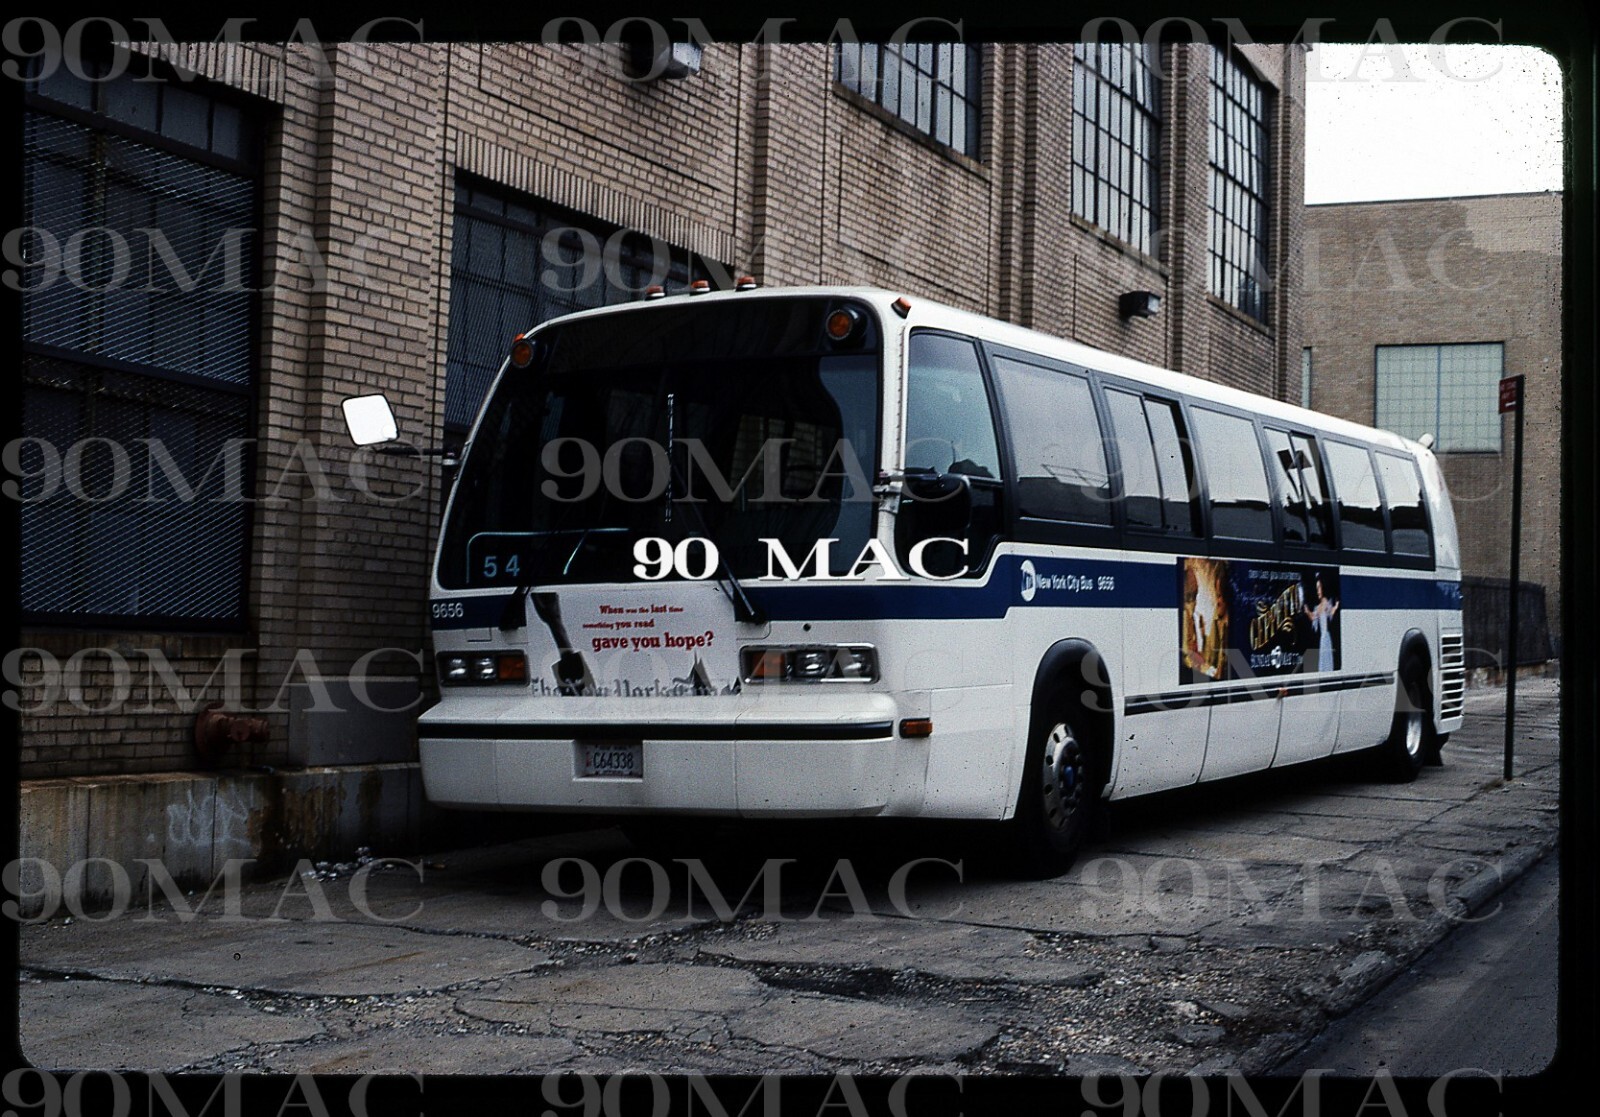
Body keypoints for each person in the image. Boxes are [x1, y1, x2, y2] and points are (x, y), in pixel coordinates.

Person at [1303, 573, 1339, 671]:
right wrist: (1307, 611)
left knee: (1327, 658)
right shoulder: (1318, 607)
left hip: (1326, 636)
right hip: (1322, 638)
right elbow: (1313, 617)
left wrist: (1335, 607)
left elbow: (1331, 612)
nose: (1318, 591)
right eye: (1317, 588)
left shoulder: (1327, 602)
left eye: (1319, 587)